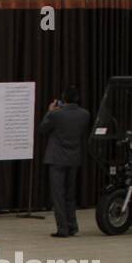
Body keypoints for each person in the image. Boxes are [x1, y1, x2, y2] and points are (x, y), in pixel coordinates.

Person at [39, 86, 91, 237]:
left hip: (57, 158)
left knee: (58, 195)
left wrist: (50, 111)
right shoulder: (85, 114)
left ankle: (62, 229)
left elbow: (43, 128)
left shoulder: (56, 115)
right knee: (70, 194)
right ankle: (72, 226)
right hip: (73, 158)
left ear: (63, 98)